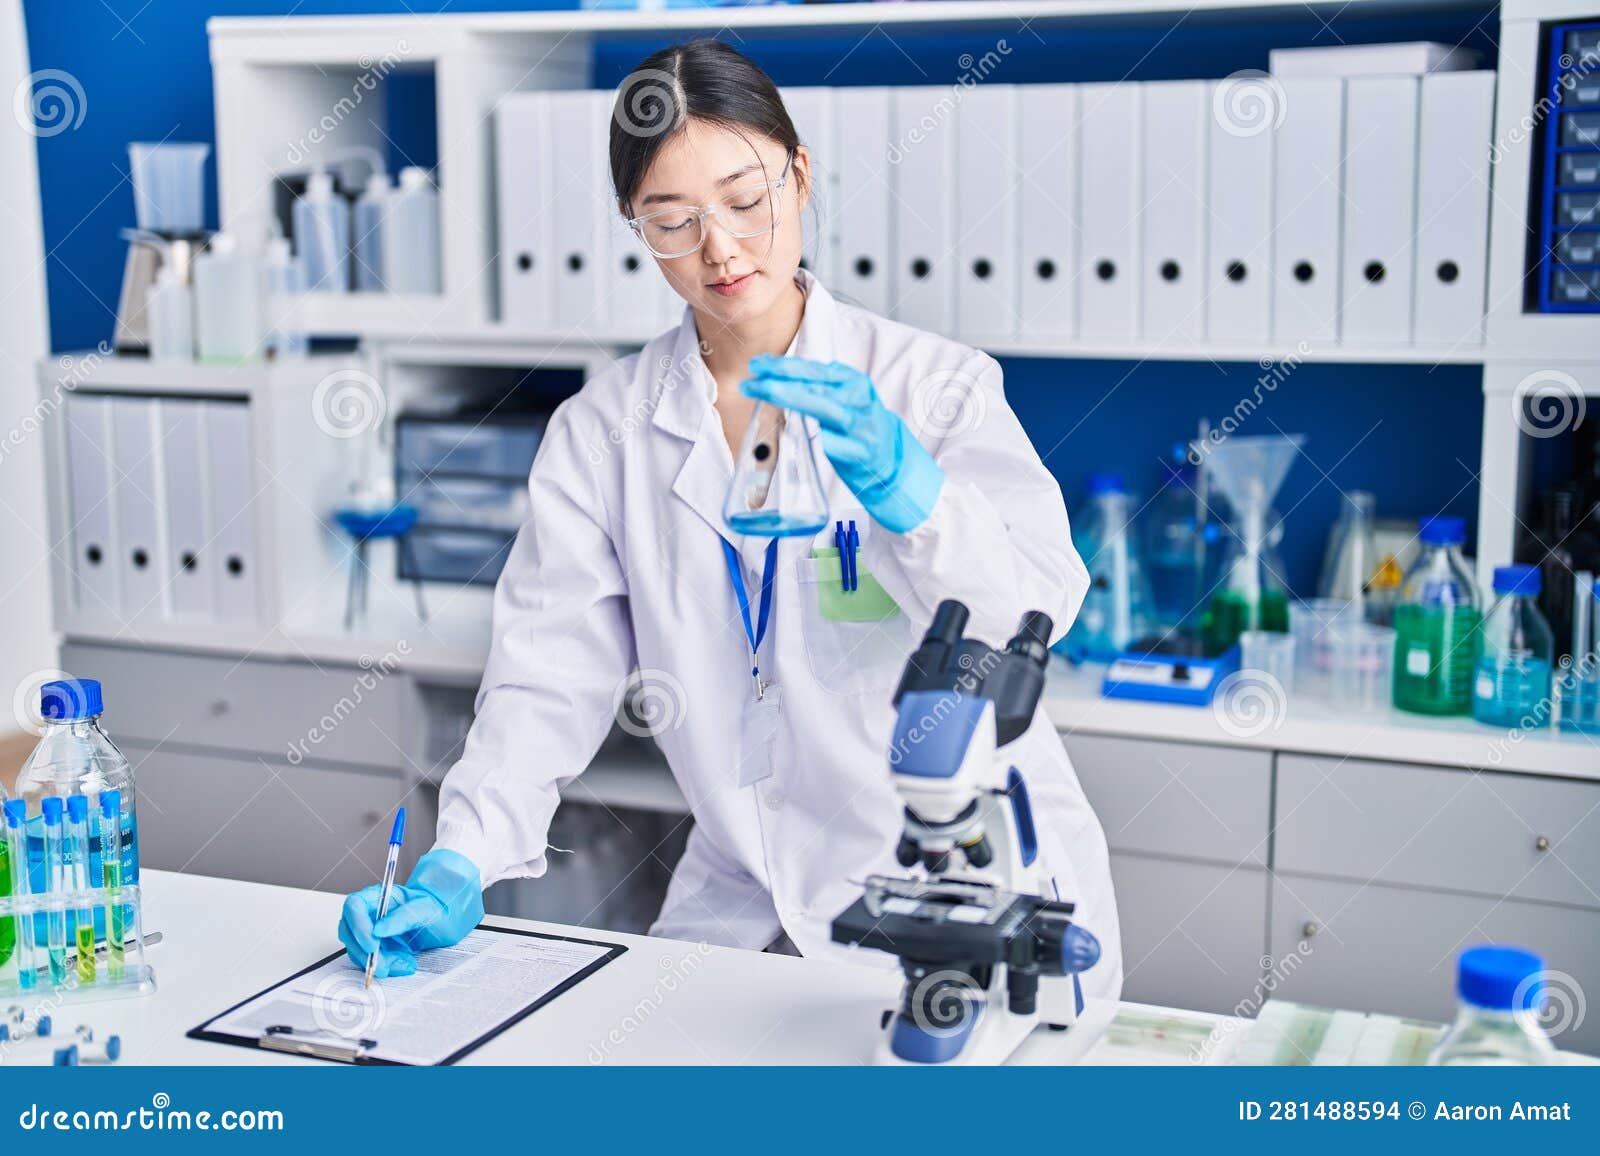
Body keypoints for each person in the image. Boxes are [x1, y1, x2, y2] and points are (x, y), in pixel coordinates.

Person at [340, 39, 1123, 1005]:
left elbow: (1032, 609)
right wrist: (461, 855)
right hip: (740, 901)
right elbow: (548, 676)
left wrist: (912, 499)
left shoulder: (935, 388)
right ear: (635, 225)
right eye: (672, 222)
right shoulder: (600, 433)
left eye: (747, 200)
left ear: (798, 176)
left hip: (955, 880)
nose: (719, 249)